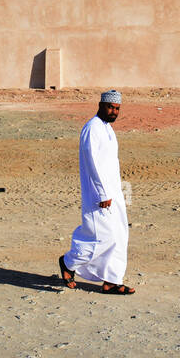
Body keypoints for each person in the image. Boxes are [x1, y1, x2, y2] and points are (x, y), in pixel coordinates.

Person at [58, 90, 135, 294]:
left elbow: (110, 164)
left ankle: (112, 280)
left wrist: (116, 193)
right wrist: (102, 194)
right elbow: (93, 164)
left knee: (119, 235)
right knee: (102, 237)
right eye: (110, 107)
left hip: (113, 193)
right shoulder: (92, 128)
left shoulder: (107, 129)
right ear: (100, 105)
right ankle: (68, 262)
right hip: (98, 196)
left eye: (117, 108)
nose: (114, 111)